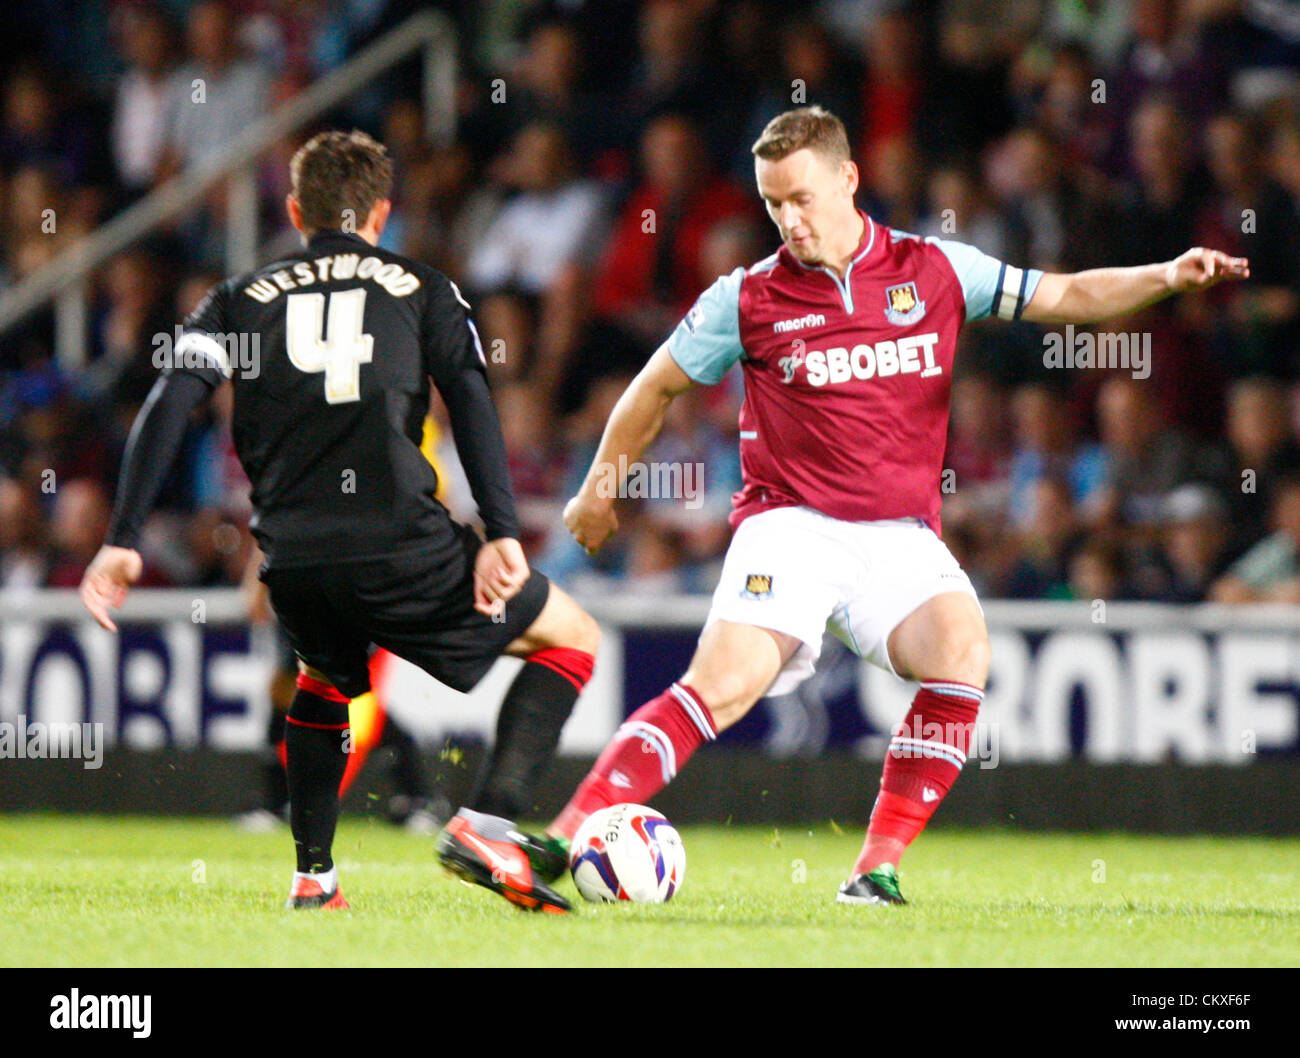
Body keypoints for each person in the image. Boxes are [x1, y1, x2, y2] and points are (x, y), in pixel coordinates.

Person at [548, 105, 1248, 907]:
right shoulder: (747, 297)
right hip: (793, 524)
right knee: (728, 681)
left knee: (962, 648)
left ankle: (873, 870)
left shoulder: (936, 270)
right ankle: (563, 833)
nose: (789, 221)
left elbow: (1067, 294)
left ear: (848, 179)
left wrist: (1165, 275)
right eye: (773, 204)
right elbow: (655, 387)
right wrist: (600, 492)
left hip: (897, 534)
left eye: (801, 199)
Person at [79, 130, 599, 915]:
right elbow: (470, 396)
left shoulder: (237, 297)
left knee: (322, 681)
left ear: (294, 210)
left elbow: (169, 403)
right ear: (381, 212)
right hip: (401, 540)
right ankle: (488, 824)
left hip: (293, 558)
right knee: (573, 638)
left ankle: (314, 880)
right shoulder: (422, 287)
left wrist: (120, 538)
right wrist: (500, 530)